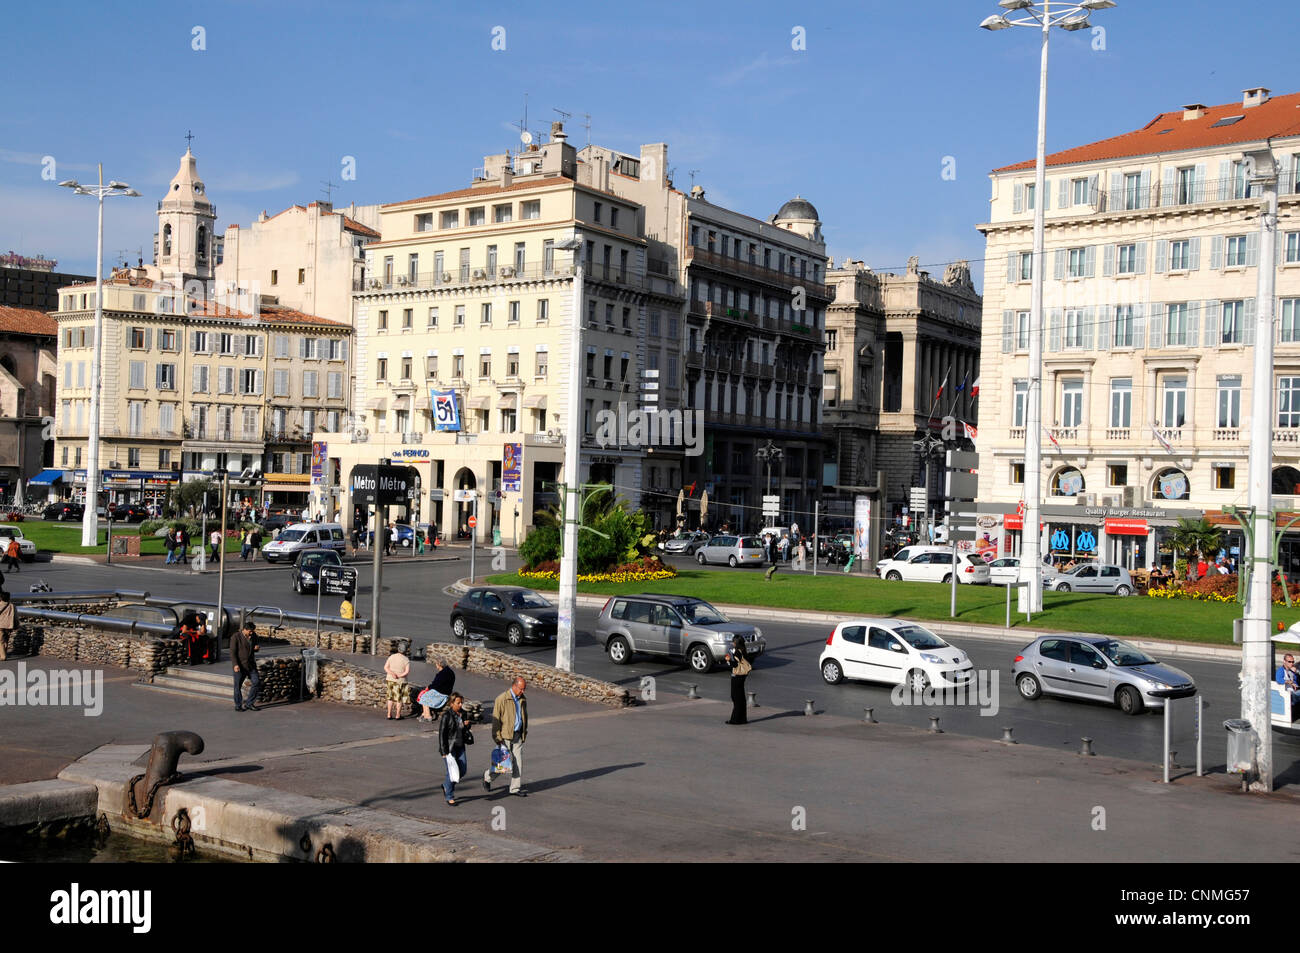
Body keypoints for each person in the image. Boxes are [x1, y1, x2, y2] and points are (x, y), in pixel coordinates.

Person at [482, 676, 528, 796]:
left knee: (518, 763)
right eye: (521, 689)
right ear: (514, 686)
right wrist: (497, 738)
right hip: (505, 736)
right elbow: (496, 721)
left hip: (517, 735)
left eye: (524, 689)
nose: (522, 691)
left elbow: (524, 717)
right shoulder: (501, 699)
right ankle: (487, 777)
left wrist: (524, 733)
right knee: (502, 766)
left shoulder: (523, 699)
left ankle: (515, 789)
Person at [439, 692, 472, 806]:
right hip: (450, 747)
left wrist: (467, 724)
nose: (460, 704)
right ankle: (449, 796)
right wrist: (444, 751)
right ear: (452, 703)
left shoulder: (463, 713)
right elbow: (442, 734)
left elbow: (464, 728)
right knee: (452, 772)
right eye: (458, 703)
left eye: (461, 702)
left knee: (462, 770)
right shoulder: (446, 716)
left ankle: (446, 786)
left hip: (460, 745)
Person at [231, 621, 260, 712]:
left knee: (256, 682)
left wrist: (256, 648)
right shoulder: (236, 637)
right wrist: (235, 664)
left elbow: (254, 648)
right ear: (245, 629)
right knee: (237, 686)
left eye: (252, 631)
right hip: (240, 665)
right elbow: (232, 652)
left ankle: (249, 703)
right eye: (250, 631)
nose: (252, 633)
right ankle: (238, 705)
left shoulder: (254, 636)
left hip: (251, 665)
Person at [725, 634, 752, 725]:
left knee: (735, 697)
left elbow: (735, 665)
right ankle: (743, 719)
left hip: (737, 676)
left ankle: (735, 720)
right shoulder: (744, 650)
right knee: (741, 698)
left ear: (736, 643)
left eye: (733, 641)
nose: (732, 643)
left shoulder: (737, 652)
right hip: (743, 676)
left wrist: (728, 660)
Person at [384, 647, 411, 720]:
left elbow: (386, 667)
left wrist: (392, 674)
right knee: (399, 699)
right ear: (405, 651)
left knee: (390, 698)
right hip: (400, 681)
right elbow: (407, 672)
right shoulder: (406, 659)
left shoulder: (391, 656)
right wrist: (399, 675)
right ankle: (397, 715)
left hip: (390, 680)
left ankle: (389, 715)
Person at [0, 589, 15, 660]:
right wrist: (16, 624)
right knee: (6, 640)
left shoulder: (0, 604)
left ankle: (3, 656)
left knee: (1, 641)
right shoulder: (12, 606)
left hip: (1, 625)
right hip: (9, 625)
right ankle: (4, 653)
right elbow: (16, 616)